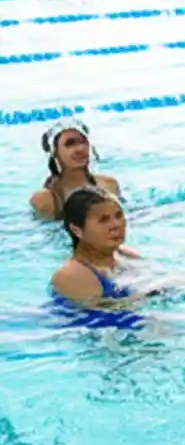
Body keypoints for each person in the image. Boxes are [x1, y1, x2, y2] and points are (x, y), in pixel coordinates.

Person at [49, 188, 142, 317]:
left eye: (118, 216)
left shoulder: (126, 255)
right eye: (104, 220)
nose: (115, 225)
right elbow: (104, 317)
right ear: (77, 230)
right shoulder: (71, 275)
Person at [31, 120, 121, 220]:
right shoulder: (45, 200)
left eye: (83, 142)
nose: (80, 148)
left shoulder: (109, 185)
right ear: (55, 153)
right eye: (70, 144)